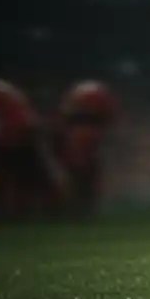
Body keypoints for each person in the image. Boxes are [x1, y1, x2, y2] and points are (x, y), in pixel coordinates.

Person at [0, 78, 66, 219]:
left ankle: (49, 207)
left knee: (33, 176)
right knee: (38, 176)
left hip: (17, 135)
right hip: (20, 133)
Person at [53, 80, 119, 218]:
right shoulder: (93, 105)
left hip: (79, 155)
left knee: (80, 178)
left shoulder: (76, 109)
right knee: (82, 178)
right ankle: (80, 211)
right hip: (80, 155)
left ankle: (76, 210)